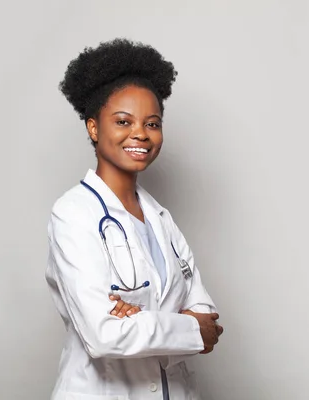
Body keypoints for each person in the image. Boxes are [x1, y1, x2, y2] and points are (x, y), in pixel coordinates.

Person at [45, 38, 222, 400]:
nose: (141, 133)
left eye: (152, 123)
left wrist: (138, 316)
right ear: (94, 128)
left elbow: (206, 316)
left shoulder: (161, 218)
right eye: (123, 121)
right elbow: (103, 334)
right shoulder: (73, 214)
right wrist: (183, 326)